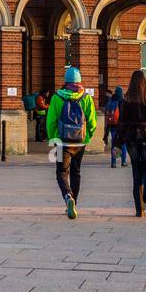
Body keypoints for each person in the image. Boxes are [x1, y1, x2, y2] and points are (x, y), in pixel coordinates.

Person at [45, 66, 97, 220]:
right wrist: (87, 136)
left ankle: (68, 196)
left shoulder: (57, 98)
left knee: (61, 172)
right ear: (79, 81)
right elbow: (92, 122)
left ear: (65, 82)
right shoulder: (86, 98)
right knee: (76, 172)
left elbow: (51, 122)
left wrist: (53, 139)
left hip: (62, 142)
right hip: (80, 142)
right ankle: (75, 202)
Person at [116, 69, 146, 216]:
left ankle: (139, 209)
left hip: (132, 140)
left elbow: (122, 123)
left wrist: (118, 144)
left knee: (136, 173)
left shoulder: (126, 100)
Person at [104, 86, 127, 167]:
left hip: (112, 126)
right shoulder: (123, 101)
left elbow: (106, 113)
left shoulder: (111, 101)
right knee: (123, 144)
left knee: (114, 144)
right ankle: (123, 161)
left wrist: (106, 133)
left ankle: (113, 163)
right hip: (122, 127)